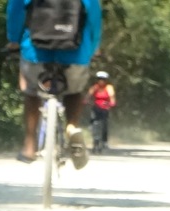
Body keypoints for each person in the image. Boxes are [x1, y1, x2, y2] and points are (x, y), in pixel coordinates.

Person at [7, 0, 103, 170]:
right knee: (74, 91)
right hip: (76, 53)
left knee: (31, 91)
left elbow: (16, 10)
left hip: (36, 52)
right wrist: (94, 47)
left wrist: (14, 39)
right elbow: (94, 17)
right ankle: (72, 126)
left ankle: (30, 144)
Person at [88, 71, 116, 152]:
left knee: (104, 124)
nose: (101, 81)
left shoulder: (109, 87)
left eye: (103, 79)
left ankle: (104, 141)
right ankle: (95, 140)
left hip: (105, 107)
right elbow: (88, 95)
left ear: (106, 80)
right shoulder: (94, 87)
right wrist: (86, 101)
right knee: (93, 122)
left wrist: (112, 103)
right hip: (96, 107)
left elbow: (112, 96)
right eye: (99, 79)